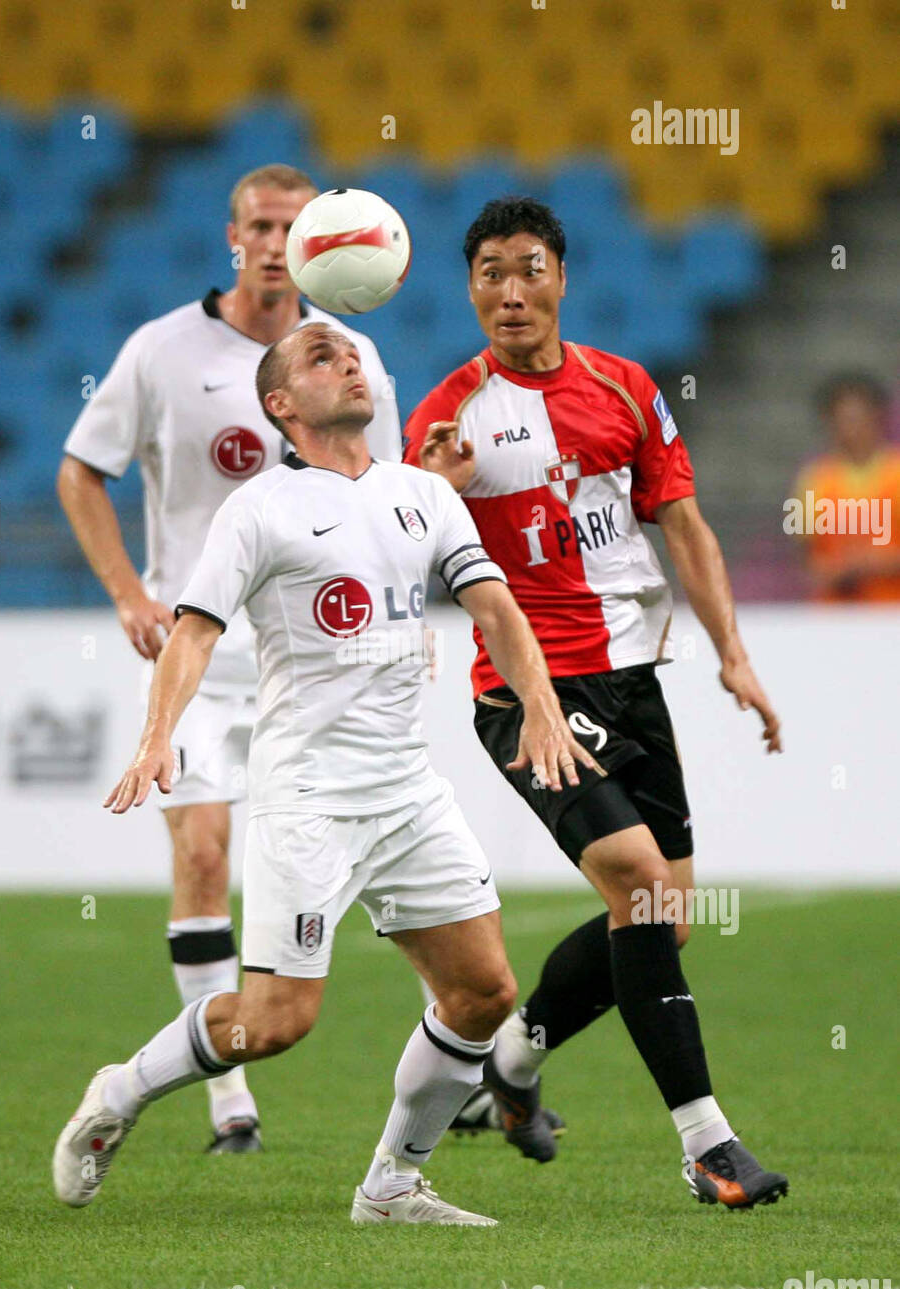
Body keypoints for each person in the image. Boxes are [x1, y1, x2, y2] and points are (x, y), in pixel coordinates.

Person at [53, 323, 597, 1225]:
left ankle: (390, 1186)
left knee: (484, 992)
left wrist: (540, 702)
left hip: (407, 790)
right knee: (274, 1024)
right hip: (307, 796)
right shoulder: (259, 509)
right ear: (279, 404)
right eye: (318, 358)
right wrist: (159, 737)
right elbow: (194, 631)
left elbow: (493, 605)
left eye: (350, 355)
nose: (345, 362)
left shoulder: (423, 493)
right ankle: (119, 1091)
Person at [405, 196, 789, 1209]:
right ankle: (707, 1145)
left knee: (663, 910)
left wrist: (732, 654)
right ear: (471, 289)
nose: (509, 290)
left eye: (526, 268)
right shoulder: (445, 420)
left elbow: (683, 525)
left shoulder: (623, 388)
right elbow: (392, 557)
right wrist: (428, 491)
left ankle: (514, 1065)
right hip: (524, 689)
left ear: (560, 279)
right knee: (632, 876)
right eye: (488, 271)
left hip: (630, 677)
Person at [57, 164, 401, 1154]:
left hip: (320, 652)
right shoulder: (162, 350)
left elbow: (384, 489)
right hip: (198, 647)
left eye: (288, 227)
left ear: (312, 243)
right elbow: (81, 472)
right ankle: (228, 1096)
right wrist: (128, 590)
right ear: (231, 237)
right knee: (203, 849)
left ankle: (462, 1048)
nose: (269, 240)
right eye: (256, 224)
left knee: (371, 862)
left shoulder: (352, 355)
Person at [791, 374, 900, 602]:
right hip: (835, 618)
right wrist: (837, 571)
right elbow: (806, 559)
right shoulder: (813, 480)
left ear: (877, 417)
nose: (851, 428)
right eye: (843, 419)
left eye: (858, 418)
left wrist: (876, 563)